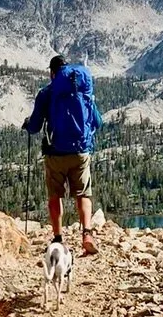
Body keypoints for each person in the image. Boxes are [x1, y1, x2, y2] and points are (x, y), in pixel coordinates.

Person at [23, 55, 103, 254]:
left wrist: (27, 125)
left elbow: (34, 126)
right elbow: (98, 122)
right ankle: (87, 234)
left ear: (52, 73)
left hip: (55, 153)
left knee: (54, 195)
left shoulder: (46, 93)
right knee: (83, 194)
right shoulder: (82, 90)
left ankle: (58, 238)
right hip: (80, 151)